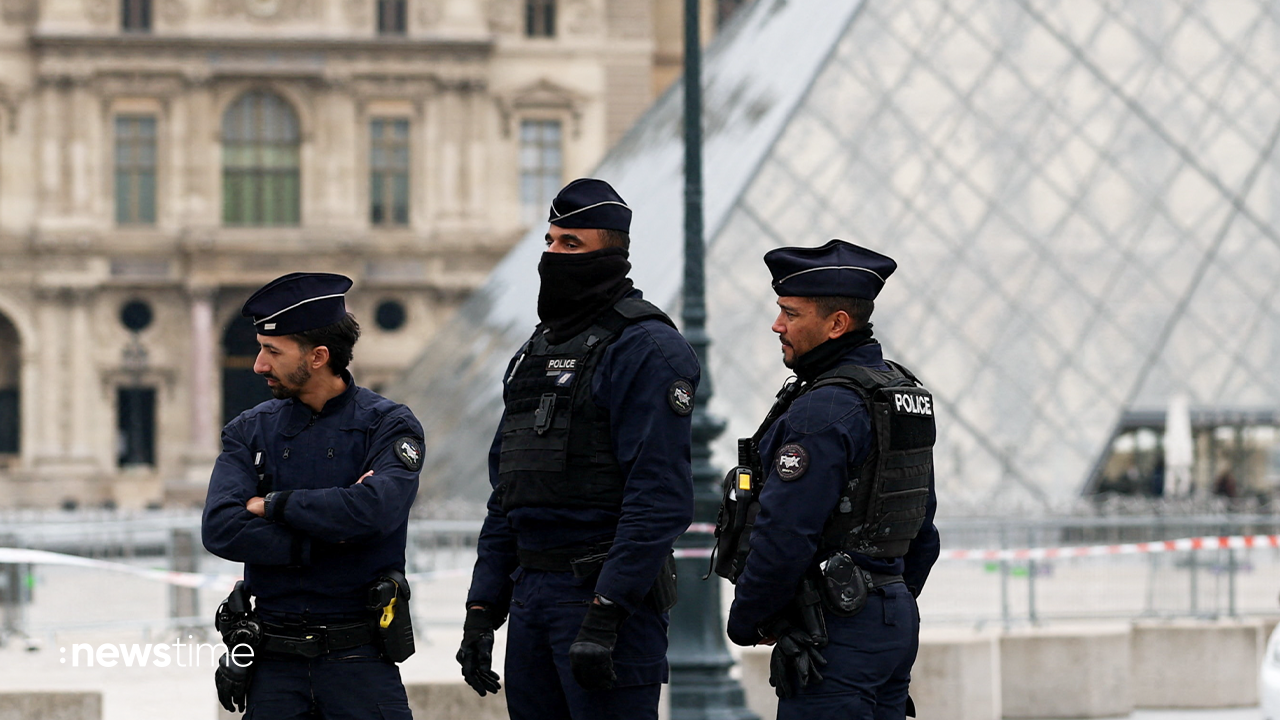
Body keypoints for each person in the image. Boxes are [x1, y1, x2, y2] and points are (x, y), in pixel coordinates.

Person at [457, 178, 699, 720]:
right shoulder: (537, 349)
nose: (551, 256)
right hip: (531, 596)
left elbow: (658, 498)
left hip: (601, 597)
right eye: (549, 242)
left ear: (610, 255)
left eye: (571, 245)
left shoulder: (647, 348)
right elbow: (510, 491)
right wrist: (482, 608)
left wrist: (607, 612)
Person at [725, 240, 940, 719]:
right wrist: (886, 601)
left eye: (790, 313)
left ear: (837, 323)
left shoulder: (822, 410)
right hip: (890, 620)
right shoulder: (901, 394)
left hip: (834, 630)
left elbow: (785, 534)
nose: (777, 325)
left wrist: (748, 619)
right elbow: (921, 530)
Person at [202, 272, 423, 719]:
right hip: (271, 664)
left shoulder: (389, 425)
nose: (258, 366)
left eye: (272, 351)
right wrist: (334, 535)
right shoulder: (250, 429)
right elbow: (222, 527)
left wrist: (274, 506)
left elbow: (376, 508)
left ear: (318, 356)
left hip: (360, 660)